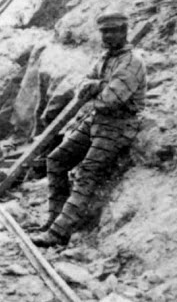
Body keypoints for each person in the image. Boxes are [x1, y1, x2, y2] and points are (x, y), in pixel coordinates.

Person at [29, 13, 147, 248]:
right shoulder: (106, 58)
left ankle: (59, 233)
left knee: (87, 173)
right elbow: (83, 85)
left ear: (125, 32)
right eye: (105, 31)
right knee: (56, 160)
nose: (108, 36)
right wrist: (94, 87)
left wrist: (95, 88)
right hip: (96, 120)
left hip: (118, 125)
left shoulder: (132, 62)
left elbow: (109, 100)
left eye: (114, 31)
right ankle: (53, 219)